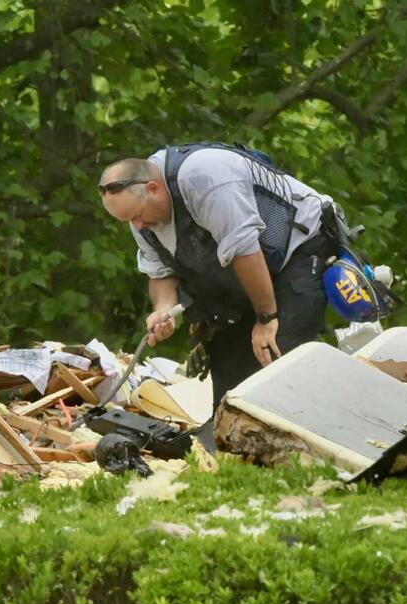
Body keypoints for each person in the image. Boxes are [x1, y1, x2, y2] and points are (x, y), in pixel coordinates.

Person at [99, 143, 341, 409]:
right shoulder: (141, 215)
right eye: (129, 221)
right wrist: (163, 309)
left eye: (136, 216)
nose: (137, 226)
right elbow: (159, 271)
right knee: (230, 383)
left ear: (153, 189)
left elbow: (245, 250)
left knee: (274, 360)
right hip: (242, 275)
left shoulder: (205, 177)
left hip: (297, 250)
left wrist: (266, 318)